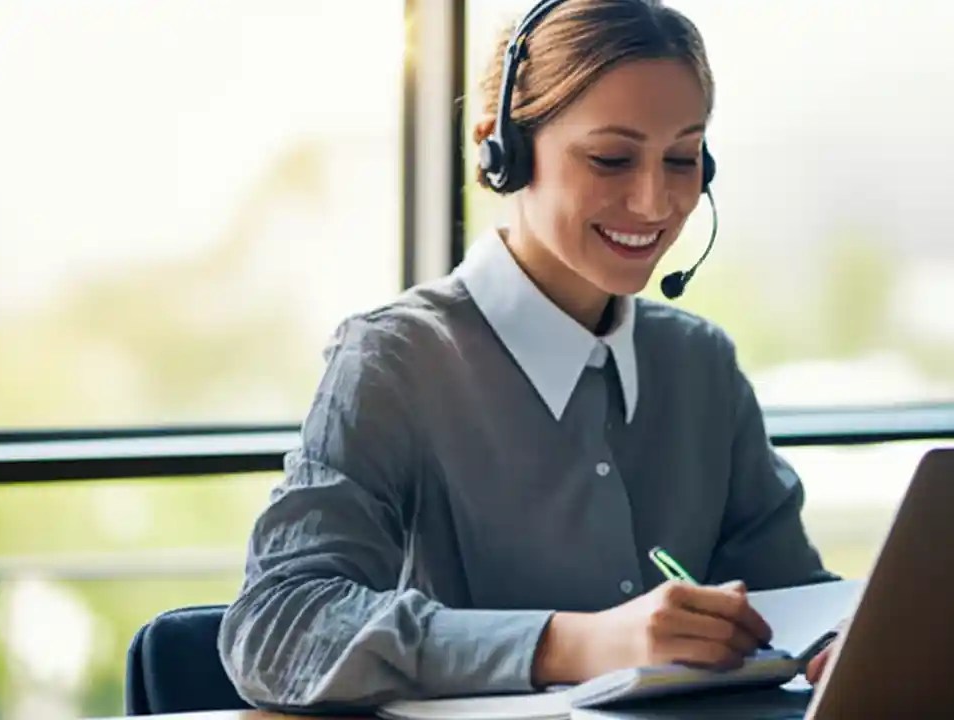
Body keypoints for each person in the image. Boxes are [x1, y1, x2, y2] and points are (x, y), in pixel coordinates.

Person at [217, 0, 841, 711]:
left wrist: (842, 636)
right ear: (501, 150)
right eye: (611, 158)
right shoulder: (395, 361)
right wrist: (576, 643)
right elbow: (277, 630)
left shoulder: (701, 365)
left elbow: (792, 599)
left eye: (681, 159)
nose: (654, 201)